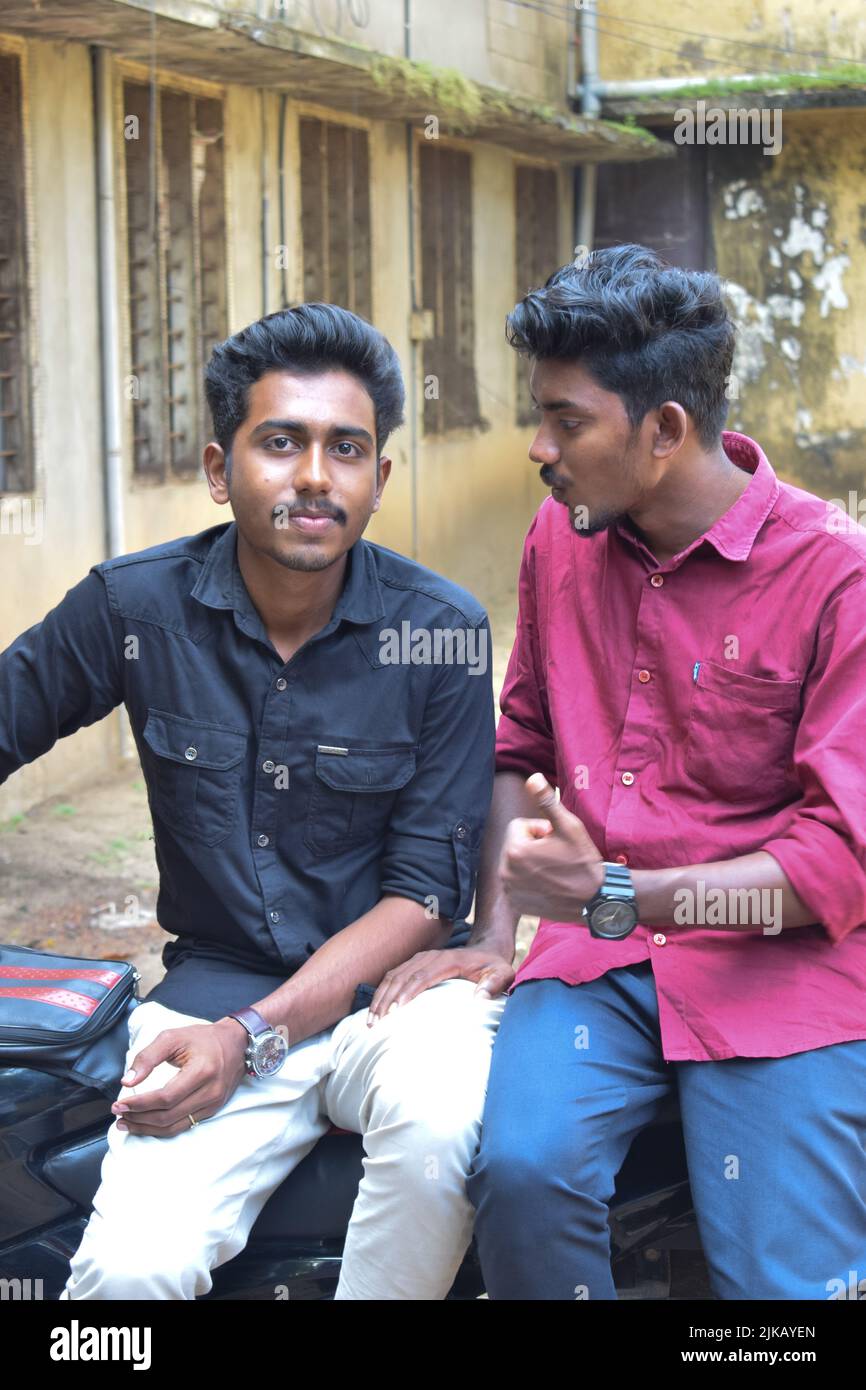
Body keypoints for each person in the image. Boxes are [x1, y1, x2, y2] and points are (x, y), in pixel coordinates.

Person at [375, 245, 866, 1300]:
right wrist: (496, 931)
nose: (536, 449)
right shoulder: (561, 537)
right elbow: (520, 742)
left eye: (564, 420)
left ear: (664, 431)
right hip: (598, 967)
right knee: (521, 1165)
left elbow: (835, 862)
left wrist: (614, 894)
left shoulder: (834, 574)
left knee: (781, 1284)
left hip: (781, 976)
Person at [0, 303, 504, 1300]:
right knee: (126, 1272)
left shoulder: (439, 629)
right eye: (280, 442)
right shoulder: (134, 606)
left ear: (379, 479)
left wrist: (257, 1036)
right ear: (215, 467)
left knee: (445, 1124)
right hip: (211, 993)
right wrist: (236, 1032)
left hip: (396, 1001)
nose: (314, 475)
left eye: (345, 448)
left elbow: (421, 894)